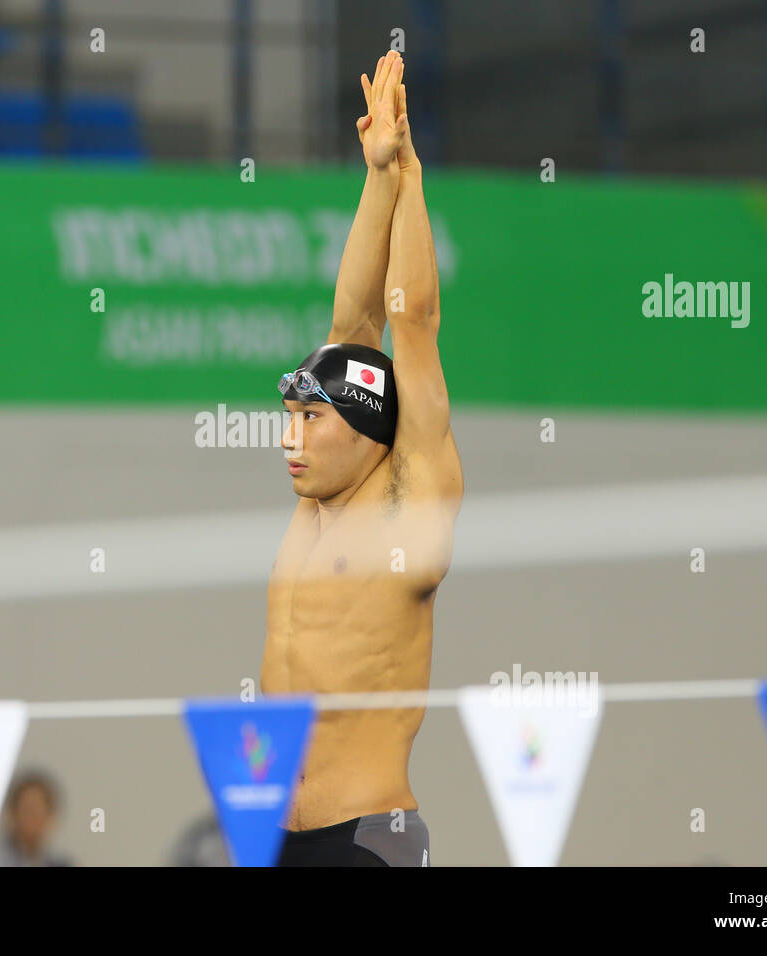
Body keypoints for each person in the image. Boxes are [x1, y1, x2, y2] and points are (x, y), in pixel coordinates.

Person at [263, 50, 463, 866]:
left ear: (367, 428)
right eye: (288, 417)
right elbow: (353, 331)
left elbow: (405, 324)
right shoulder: (316, 506)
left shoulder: (407, 504)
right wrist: (376, 175)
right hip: (274, 835)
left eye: (312, 420)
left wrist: (410, 174)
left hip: (366, 840)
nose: (290, 439)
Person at [0, 771, 72, 866]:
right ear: (12, 813)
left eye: (39, 811)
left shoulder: (60, 863)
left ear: (50, 817)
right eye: (27, 809)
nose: (33, 817)